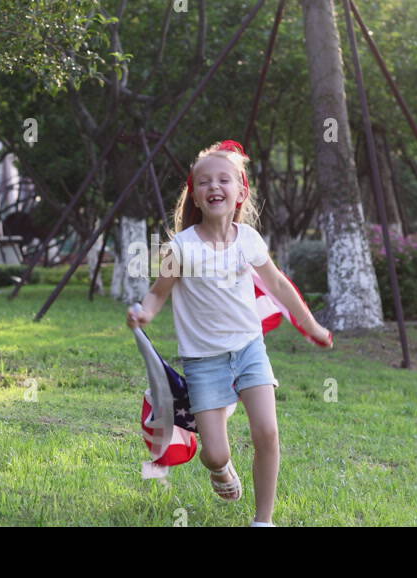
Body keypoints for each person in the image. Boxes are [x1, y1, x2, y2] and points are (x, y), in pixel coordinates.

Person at [125, 140, 333, 527]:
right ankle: (221, 468)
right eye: (204, 182)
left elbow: (280, 287)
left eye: (224, 179)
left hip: (249, 350)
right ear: (196, 196)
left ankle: (263, 520)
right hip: (204, 362)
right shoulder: (181, 248)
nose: (214, 186)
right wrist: (144, 312)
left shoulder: (249, 240)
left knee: (267, 433)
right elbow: (158, 294)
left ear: (241, 192)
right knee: (215, 454)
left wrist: (312, 325)